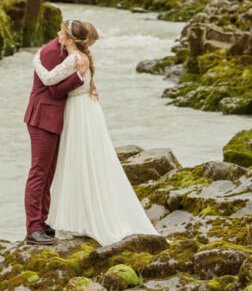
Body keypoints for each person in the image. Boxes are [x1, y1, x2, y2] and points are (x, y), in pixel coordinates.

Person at [32, 19, 159, 246]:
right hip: (86, 110)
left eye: (61, 32)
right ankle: (50, 222)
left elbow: (51, 82)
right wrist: (85, 81)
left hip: (78, 111)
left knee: (75, 164)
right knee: (85, 161)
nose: (57, 34)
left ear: (71, 39)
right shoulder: (82, 56)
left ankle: (62, 220)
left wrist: (36, 62)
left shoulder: (73, 58)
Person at [22, 21, 90, 245]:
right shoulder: (53, 51)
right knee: (39, 172)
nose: (57, 33)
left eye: (61, 30)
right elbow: (54, 90)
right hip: (42, 118)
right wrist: (79, 77)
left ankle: (42, 221)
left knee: (48, 172)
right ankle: (33, 228)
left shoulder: (65, 49)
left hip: (53, 118)